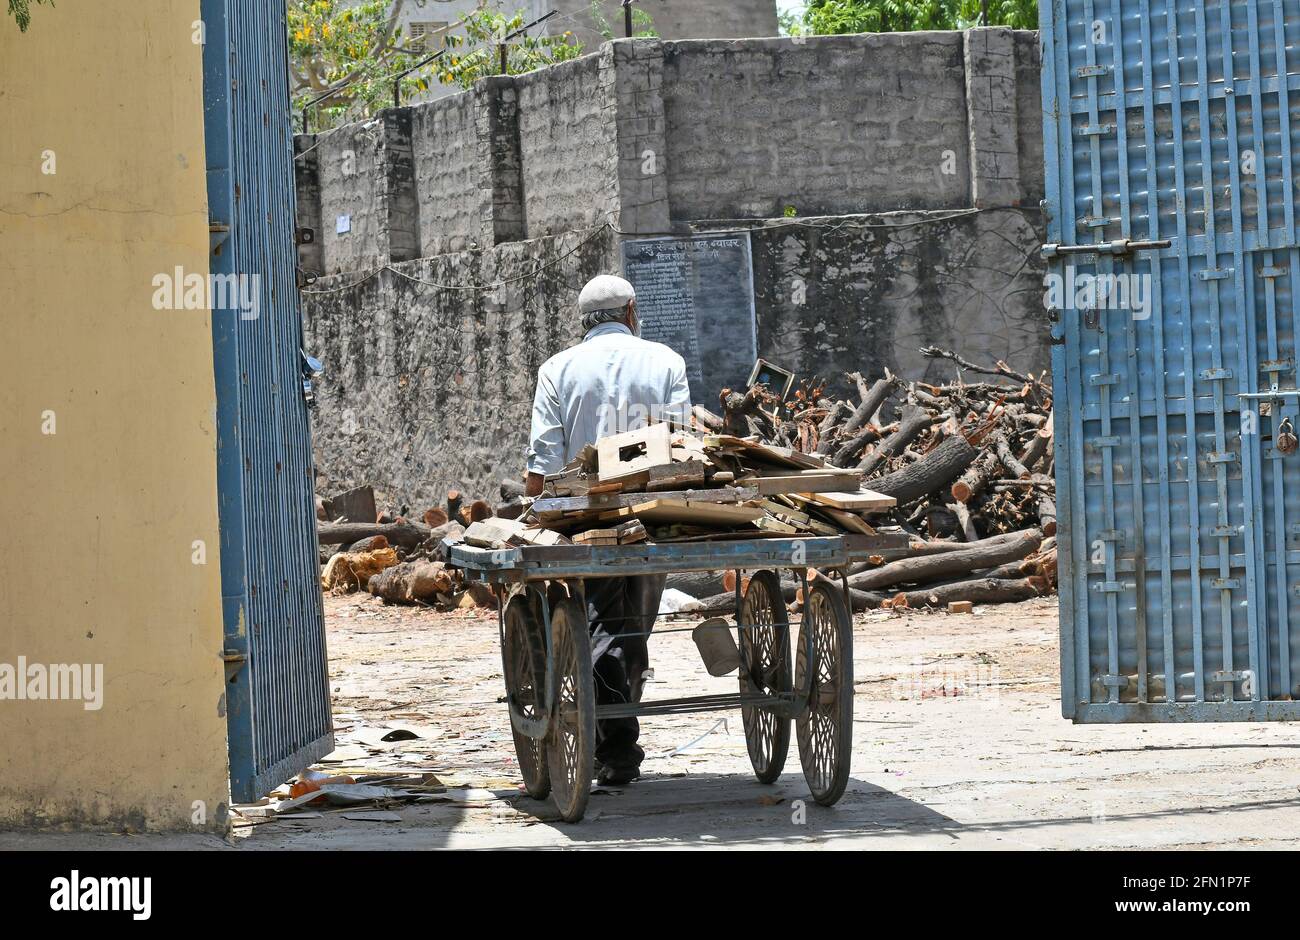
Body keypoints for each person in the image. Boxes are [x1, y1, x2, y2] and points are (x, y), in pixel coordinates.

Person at [525, 274, 691, 785]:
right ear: (631, 312)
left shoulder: (557, 368)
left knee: (600, 622)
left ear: (584, 321)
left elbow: (541, 469)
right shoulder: (666, 361)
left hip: (586, 520)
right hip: (653, 514)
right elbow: (683, 448)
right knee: (634, 626)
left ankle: (615, 742)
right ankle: (619, 738)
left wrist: (538, 506)